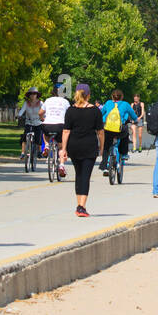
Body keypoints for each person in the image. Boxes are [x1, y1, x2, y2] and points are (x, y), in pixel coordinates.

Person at [61, 83, 104, 217]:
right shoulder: (95, 110)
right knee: (85, 176)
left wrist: (64, 149)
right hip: (89, 146)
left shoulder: (70, 110)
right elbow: (100, 132)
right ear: (88, 95)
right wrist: (102, 147)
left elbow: (66, 131)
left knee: (79, 175)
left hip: (74, 146)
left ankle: (79, 205)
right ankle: (81, 206)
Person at [98, 89, 136, 175]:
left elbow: (101, 113)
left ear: (112, 96)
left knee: (106, 147)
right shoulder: (125, 104)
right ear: (121, 97)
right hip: (119, 129)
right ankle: (124, 153)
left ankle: (104, 166)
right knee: (125, 133)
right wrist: (136, 120)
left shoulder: (108, 103)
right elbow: (133, 115)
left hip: (108, 129)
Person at [42, 84, 71, 179]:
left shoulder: (48, 100)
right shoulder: (66, 102)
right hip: (60, 126)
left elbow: (40, 113)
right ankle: (61, 165)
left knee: (45, 134)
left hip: (48, 125)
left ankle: (46, 145)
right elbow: (70, 114)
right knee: (61, 146)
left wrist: (42, 119)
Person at [17, 88, 44, 158]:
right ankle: (23, 152)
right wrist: (19, 116)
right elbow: (22, 110)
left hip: (38, 122)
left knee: (39, 138)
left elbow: (44, 111)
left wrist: (45, 118)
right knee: (24, 137)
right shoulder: (26, 103)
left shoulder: (40, 103)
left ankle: (39, 151)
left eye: (34, 94)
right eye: (31, 94)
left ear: (37, 95)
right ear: (29, 95)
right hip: (29, 122)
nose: (32, 95)